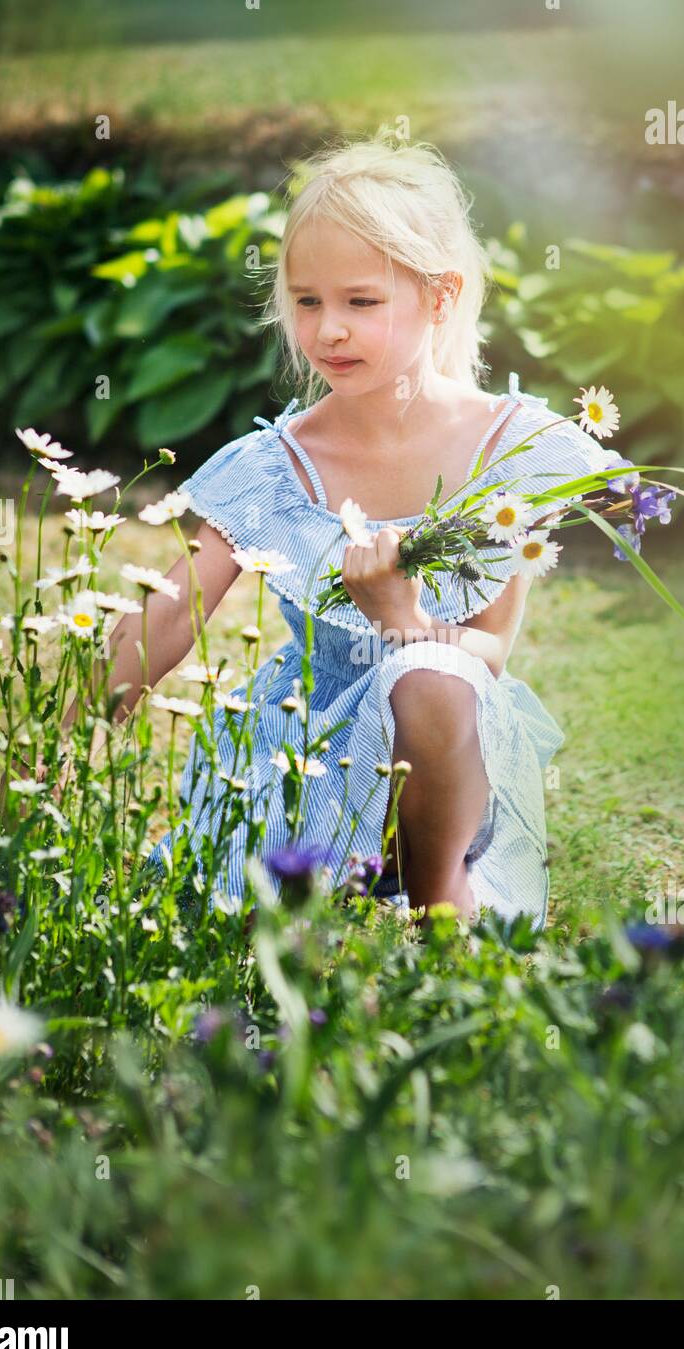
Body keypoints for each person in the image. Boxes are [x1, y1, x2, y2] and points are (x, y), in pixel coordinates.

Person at [63, 133, 610, 930]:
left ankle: (441, 914)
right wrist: (65, 732)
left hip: (449, 758)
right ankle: (323, 876)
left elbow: (491, 649)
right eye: (307, 301)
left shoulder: (509, 453)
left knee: (430, 674)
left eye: (361, 302)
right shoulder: (277, 467)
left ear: (441, 296)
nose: (328, 332)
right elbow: (174, 612)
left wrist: (403, 623)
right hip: (308, 752)